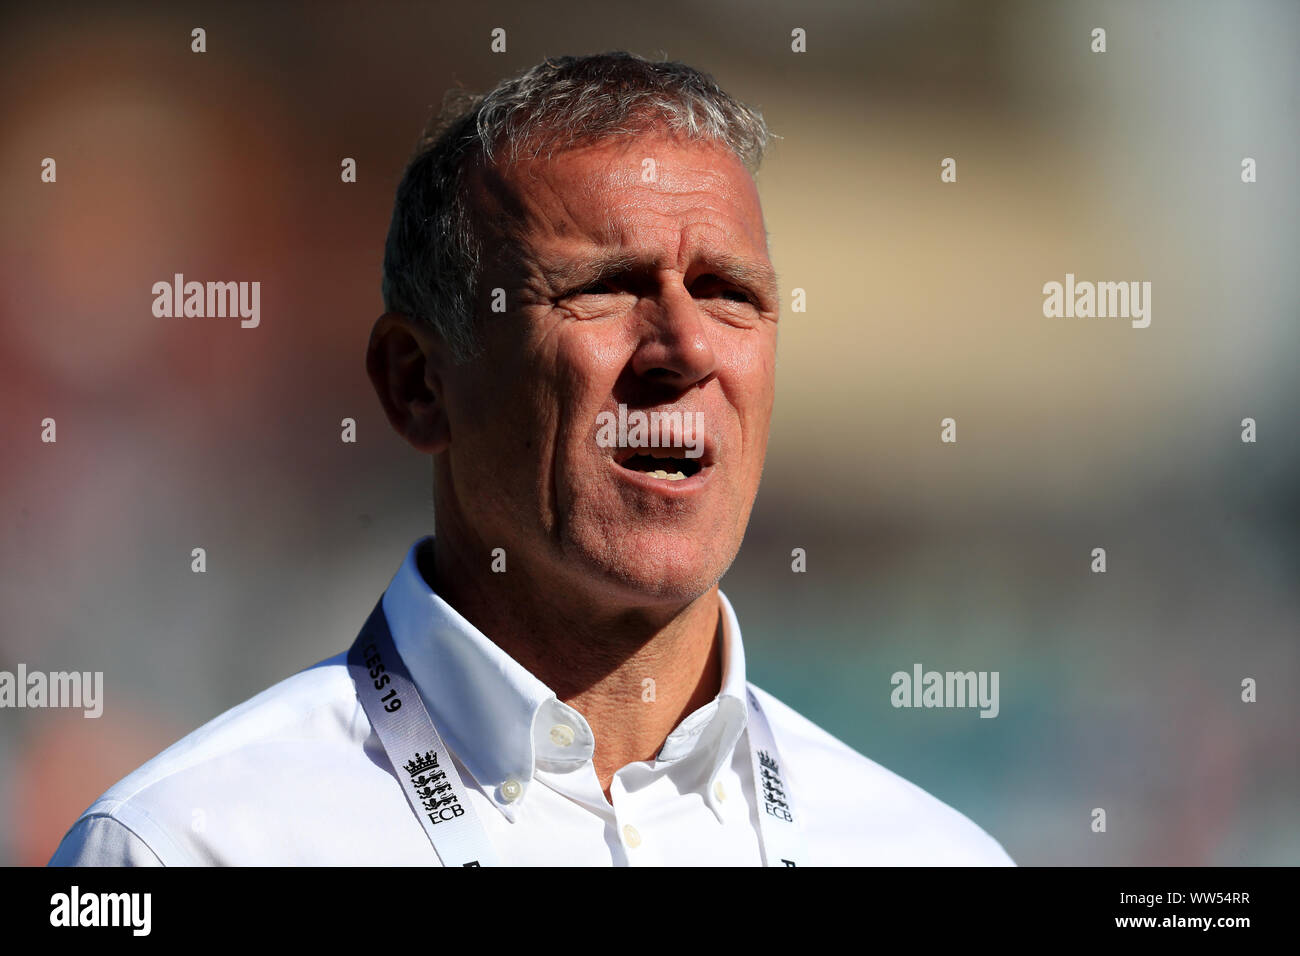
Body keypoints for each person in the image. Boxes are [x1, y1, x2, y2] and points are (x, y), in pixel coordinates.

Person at [48, 51, 1013, 866]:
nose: (685, 347)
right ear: (417, 384)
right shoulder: (181, 847)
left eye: (727, 291)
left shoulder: (932, 854)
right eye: (603, 288)